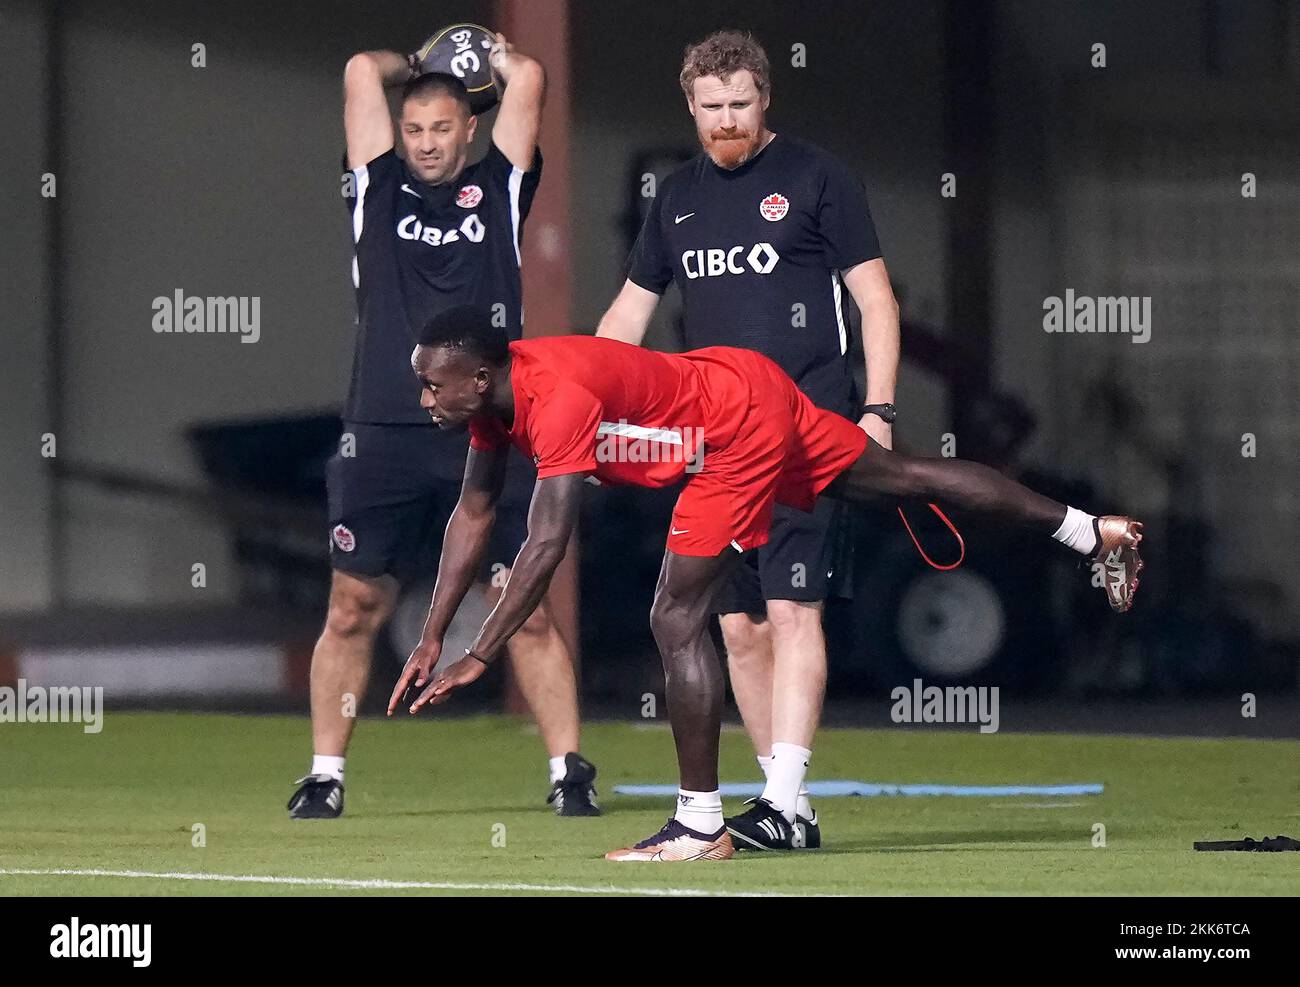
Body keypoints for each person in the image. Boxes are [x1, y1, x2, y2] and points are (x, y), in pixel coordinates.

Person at [388, 306, 1144, 862]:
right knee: (901, 476)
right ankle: (1090, 530)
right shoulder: (493, 404)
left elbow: (547, 541)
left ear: (479, 377)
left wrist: (480, 654)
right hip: (742, 381)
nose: (424, 398)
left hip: (733, 430)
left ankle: (697, 823)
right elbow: (474, 515)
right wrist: (431, 635)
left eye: (430, 385)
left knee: (675, 616)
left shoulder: (555, 401)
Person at [597, 29, 900, 850]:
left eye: (740, 104)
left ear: (766, 98)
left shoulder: (818, 177)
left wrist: (878, 408)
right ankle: (785, 807)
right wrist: (589, 396)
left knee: (794, 608)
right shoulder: (676, 198)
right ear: (688, 105)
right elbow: (631, 311)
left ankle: (786, 796)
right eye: (711, 107)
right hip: (717, 441)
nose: (726, 120)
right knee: (737, 627)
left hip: (807, 432)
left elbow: (875, 300)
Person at [288, 34, 599, 820]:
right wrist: (421, 58)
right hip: (383, 429)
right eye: (414, 128)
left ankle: (569, 771)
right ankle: (326, 774)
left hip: (491, 430)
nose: (425, 143)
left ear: (470, 130)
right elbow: (362, 68)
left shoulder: (498, 187)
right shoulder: (376, 188)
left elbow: (529, 77)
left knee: (521, 606)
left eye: (440, 128)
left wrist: (483, 55)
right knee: (352, 607)